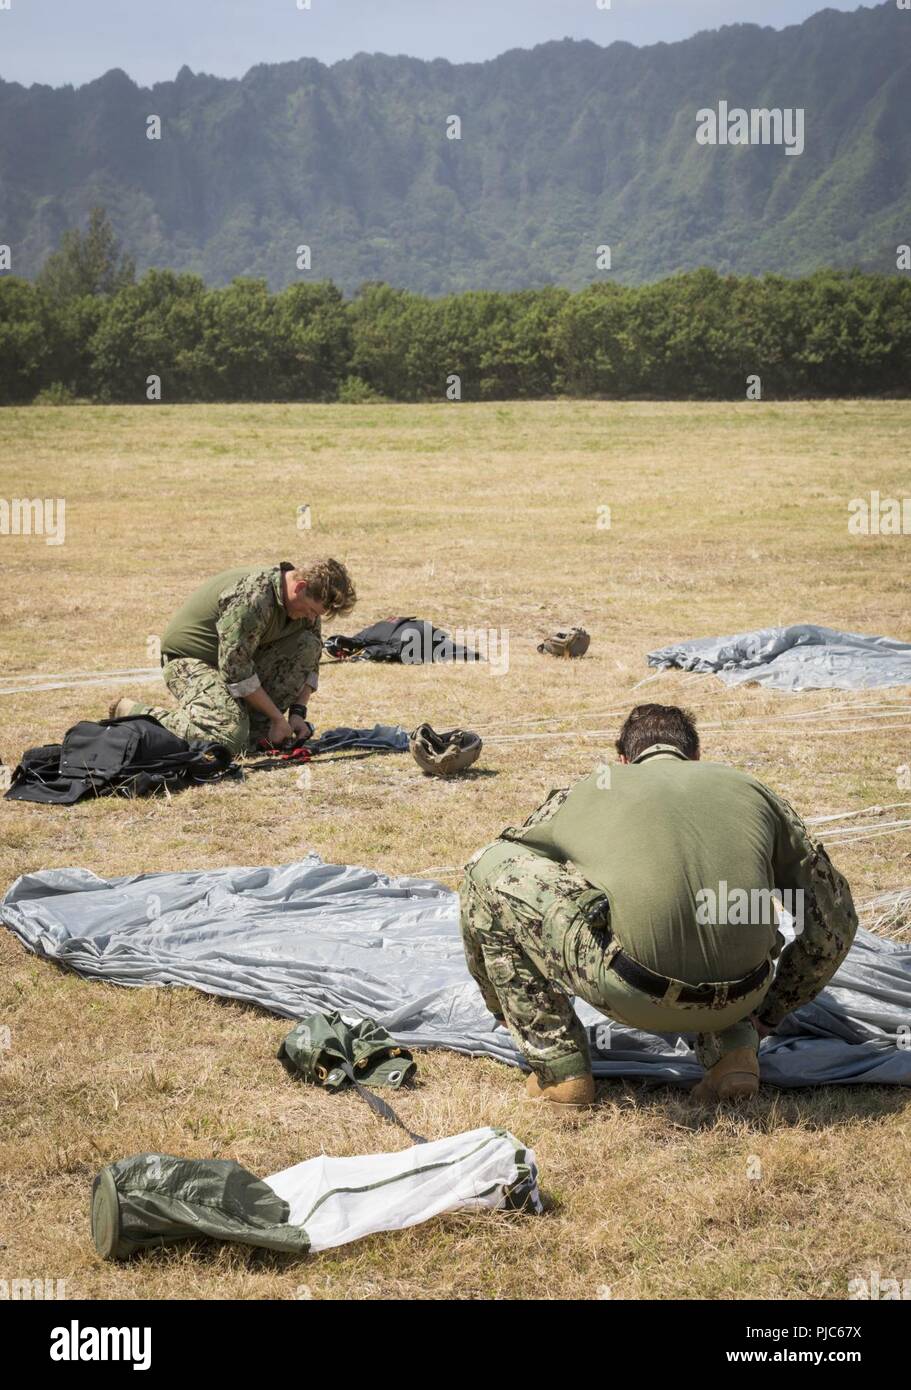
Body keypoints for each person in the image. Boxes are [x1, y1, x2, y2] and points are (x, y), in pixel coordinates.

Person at [460, 703, 858, 1107]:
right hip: (744, 994)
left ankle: (560, 1069)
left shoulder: (597, 784)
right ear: (696, 755)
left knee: (485, 867)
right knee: (723, 910)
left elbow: (511, 851)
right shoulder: (752, 788)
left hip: (631, 990)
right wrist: (770, 1011)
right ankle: (735, 1051)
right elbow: (836, 921)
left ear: (624, 759)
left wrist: (503, 1007)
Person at [112, 557, 356, 756]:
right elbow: (235, 670)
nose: (312, 619)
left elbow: (310, 661)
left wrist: (296, 715)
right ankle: (135, 712)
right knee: (230, 738)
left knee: (308, 645)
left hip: (236, 665)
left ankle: (241, 722)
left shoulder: (304, 608)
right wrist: (275, 717)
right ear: (300, 587)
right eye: (311, 611)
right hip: (189, 661)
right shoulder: (254, 597)